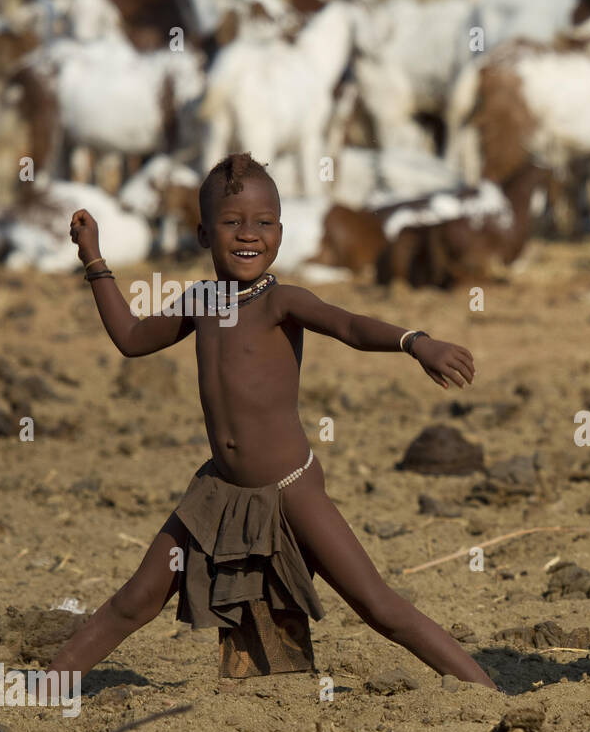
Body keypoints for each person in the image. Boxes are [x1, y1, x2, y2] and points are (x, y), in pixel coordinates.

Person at [51, 153, 498, 691]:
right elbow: (129, 340)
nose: (249, 234)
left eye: (264, 223)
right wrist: (95, 260)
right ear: (202, 232)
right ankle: (44, 688)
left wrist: (415, 342)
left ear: (281, 234)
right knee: (135, 600)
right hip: (217, 494)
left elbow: (350, 325)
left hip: (291, 491)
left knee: (378, 605)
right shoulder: (201, 302)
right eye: (232, 221)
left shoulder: (281, 302)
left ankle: (486, 693)